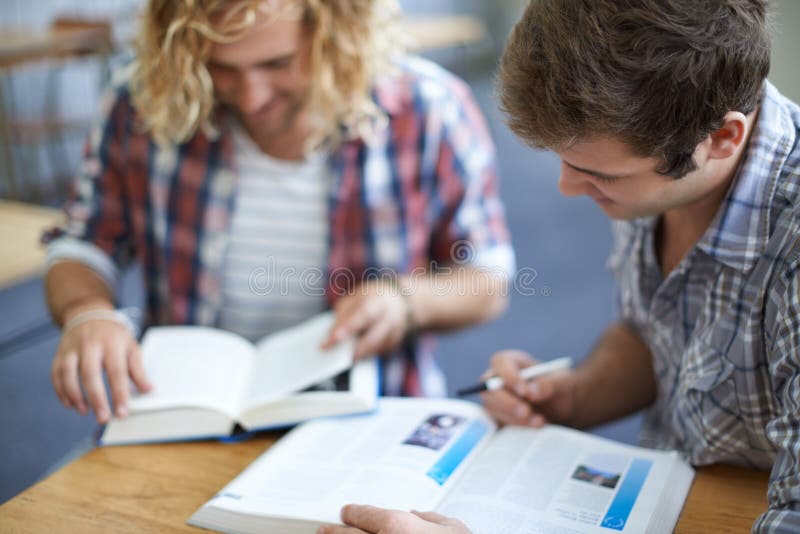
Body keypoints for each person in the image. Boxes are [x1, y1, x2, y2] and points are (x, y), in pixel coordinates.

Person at [319, 0, 800, 532]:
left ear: (721, 138)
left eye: (599, 175)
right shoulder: (658, 164)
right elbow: (660, 333)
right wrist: (573, 395)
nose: (567, 188)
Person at [44, 0, 514, 425]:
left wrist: (406, 302)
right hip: (185, 413)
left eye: (277, 63)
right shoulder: (142, 98)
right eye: (221, 68)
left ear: (336, 30)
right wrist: (87, 313)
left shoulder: (429, 108)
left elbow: (487, 279)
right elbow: (82, 243)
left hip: (372, 417)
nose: (251, 98)